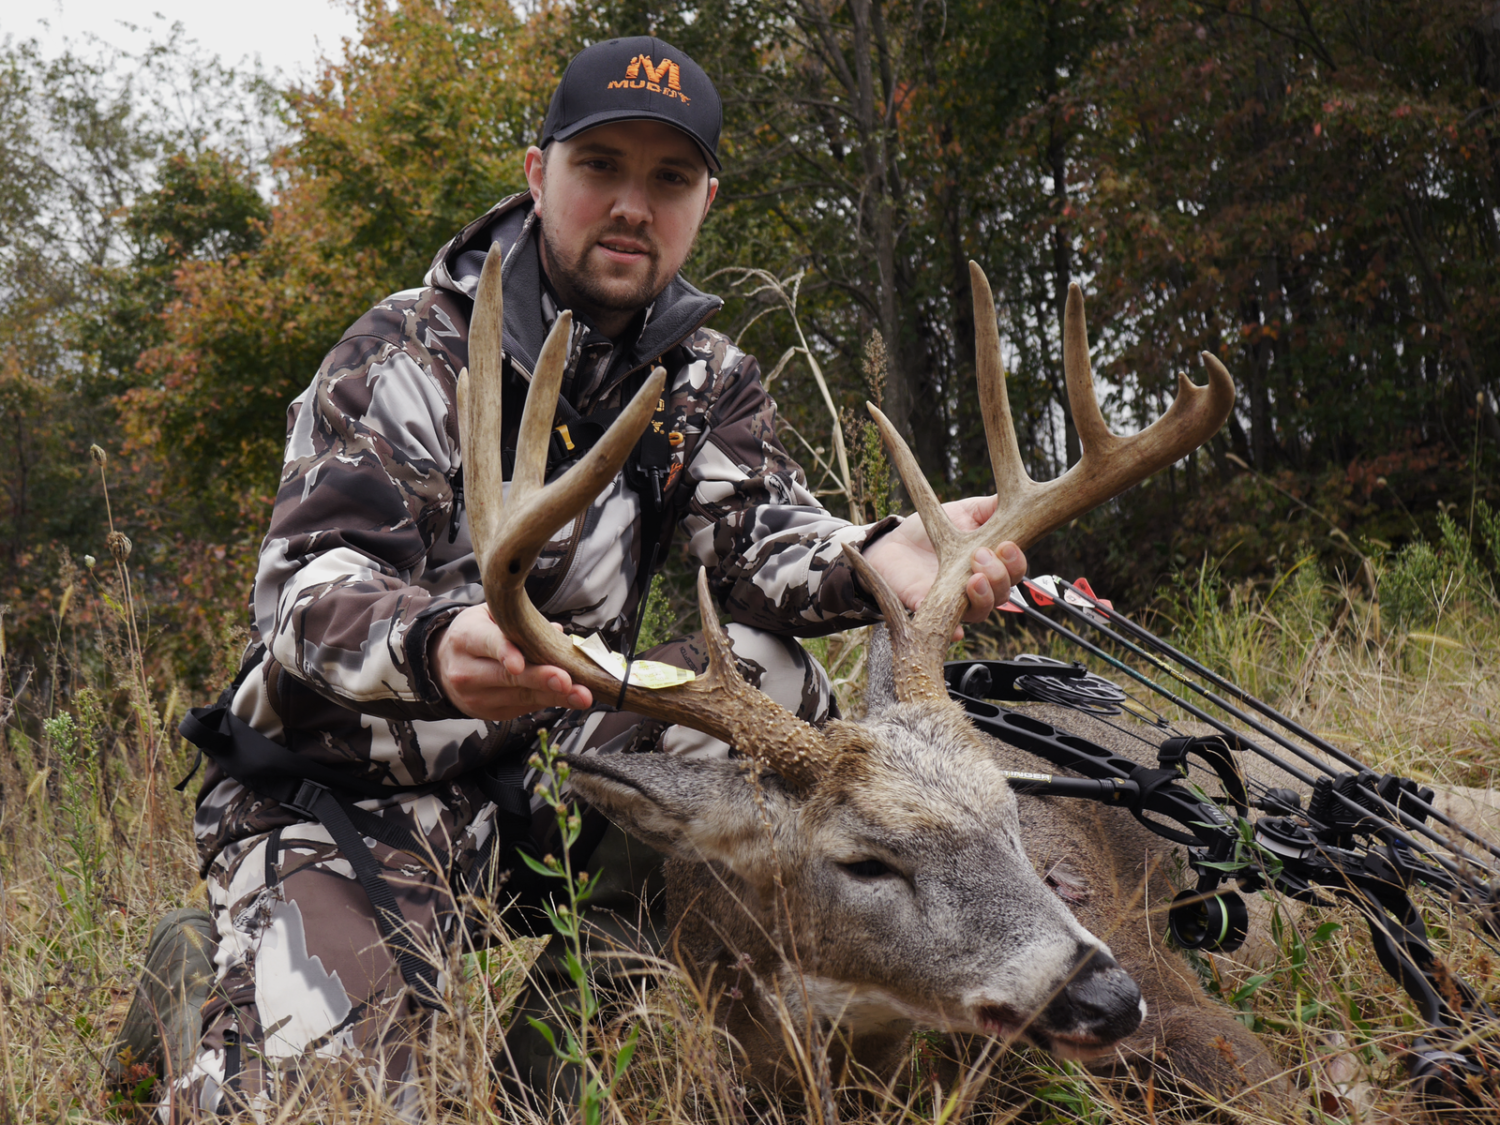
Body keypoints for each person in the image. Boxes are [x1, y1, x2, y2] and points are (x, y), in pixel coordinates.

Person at [140, 34, 1025, 1119]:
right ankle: (202, 983)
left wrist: (874, 558)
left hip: (554, 766)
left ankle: (555, 1063)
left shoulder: (701, 378)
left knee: (768, 679)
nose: (630, 206)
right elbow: (308, 591)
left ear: (705, 197)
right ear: (537, 173)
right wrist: (434, 645)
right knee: (339, 1105)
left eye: (668, 179)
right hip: (345, 796)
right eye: (599, 166)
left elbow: (760, 543)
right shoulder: (405, 355)